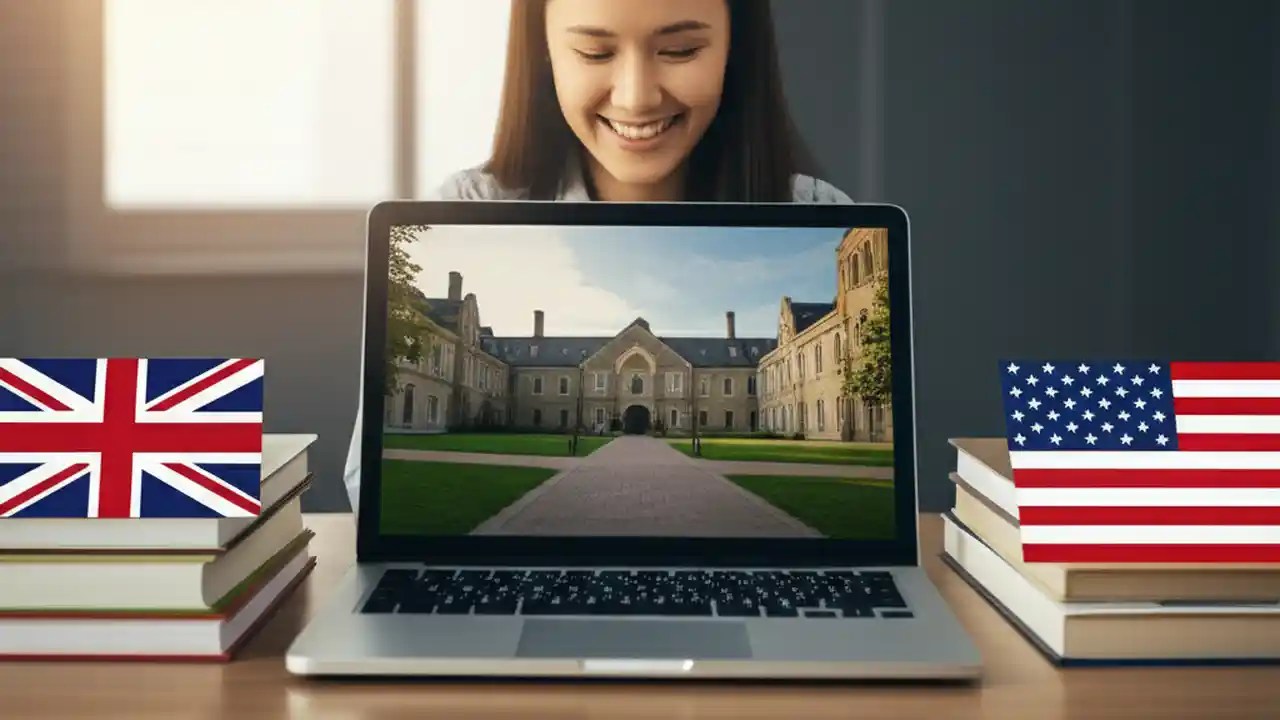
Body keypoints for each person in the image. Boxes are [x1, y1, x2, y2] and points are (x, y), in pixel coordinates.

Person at [345, 0, 851, 511]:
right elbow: (369, 491)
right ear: (543, 53)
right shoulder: (466, 208)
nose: (635, 98)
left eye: (680, 49)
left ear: (735, 48)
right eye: (593, 50)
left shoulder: (819, 211)